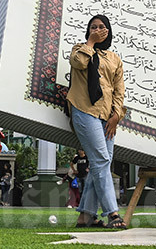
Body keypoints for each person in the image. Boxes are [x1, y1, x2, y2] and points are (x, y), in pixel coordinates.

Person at [68, 14, 127, 230]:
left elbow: (119, 91)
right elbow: (79, 63)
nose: (97, 29)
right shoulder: (79, 50)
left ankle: (86, 216)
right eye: (93, 27)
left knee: (100, 164)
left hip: (107, 117)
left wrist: (116, 115)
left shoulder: (115, 59)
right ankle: (112, 213)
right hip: (84, 111)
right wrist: (90, 43)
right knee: (101, 160)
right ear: (88, 31)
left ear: (108, 31)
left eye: (102, 27)